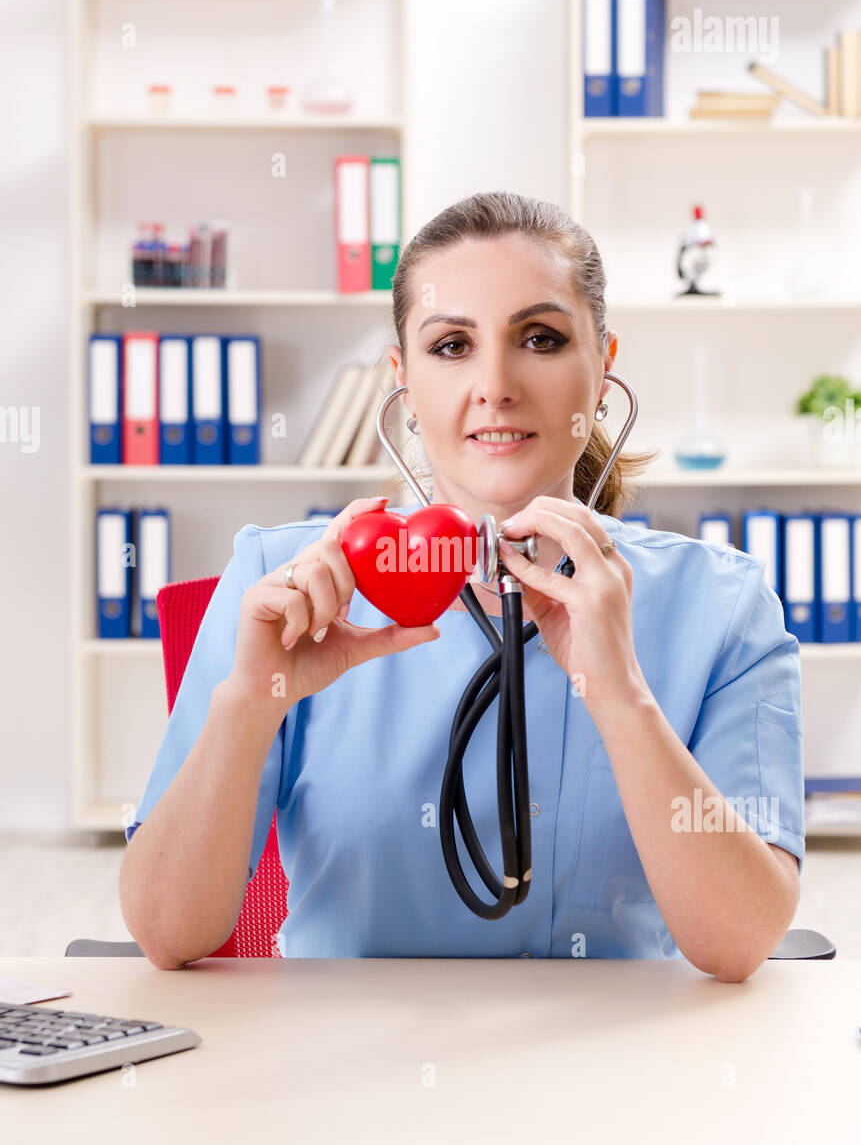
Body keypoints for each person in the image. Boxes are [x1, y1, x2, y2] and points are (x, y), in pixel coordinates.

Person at [119, 191, 803, 976]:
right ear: (402, 382)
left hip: (616, 1073)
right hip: (342, 1074)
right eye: (451, 346)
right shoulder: (283, 586)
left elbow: (741, 942)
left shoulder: (721, 606)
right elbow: (168, 936)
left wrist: (620, 697)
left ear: (602, 365)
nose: (495, 386)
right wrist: (250, 705)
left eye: (540, 338)